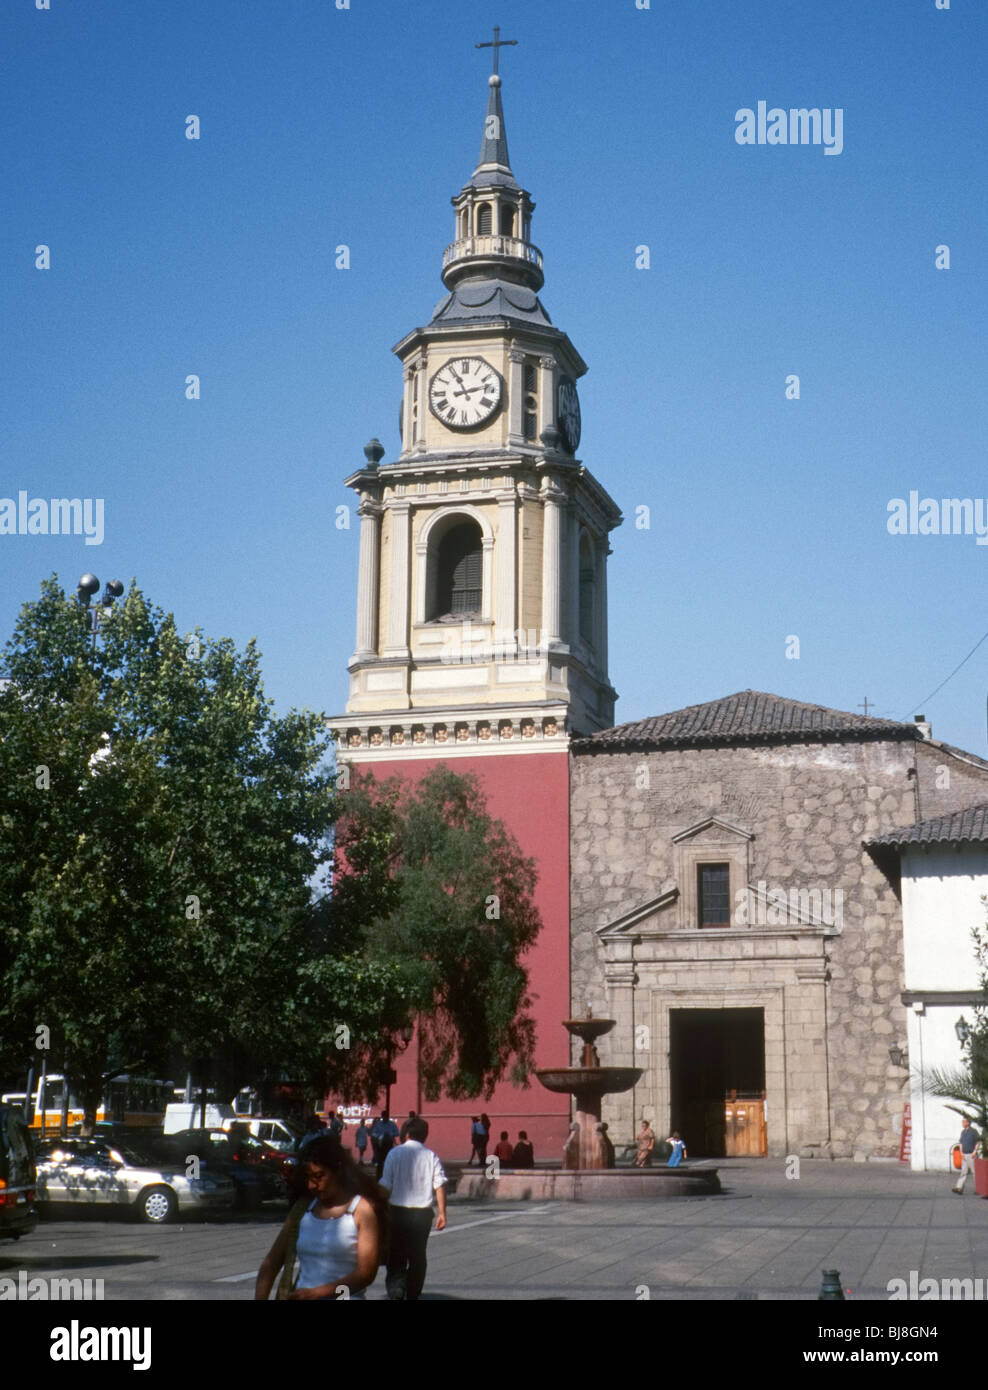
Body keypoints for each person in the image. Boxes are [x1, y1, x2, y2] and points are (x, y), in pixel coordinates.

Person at [254, 1134, 387, 1300]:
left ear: (338, 1170)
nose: (311, 1185)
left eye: (319, 1176)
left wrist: (317, 1294)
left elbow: (365, 1274)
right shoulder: (303, 1208)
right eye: (308, 1177)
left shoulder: (361, 1210)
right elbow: (271, 1263)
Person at [379, 1116, 447, 1300]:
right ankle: (413, 1292)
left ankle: (396, 1286)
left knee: (396, 1253)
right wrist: (442, 1213)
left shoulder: (394, 1154)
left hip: (398, 1212)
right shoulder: (431, 1155)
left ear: (406, 1133)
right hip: (422, 1214)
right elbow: (439, 1185)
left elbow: (385, 1185)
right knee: (418, 1256)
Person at [952, 1116, 981, 1194]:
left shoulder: (973, 1131)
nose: (963, 1123)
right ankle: (959, 1187)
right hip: (964, 1155)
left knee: (975, 1172)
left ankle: (979, 1189)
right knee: (963, 1172)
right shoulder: (963, 1132)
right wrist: (961, 1153)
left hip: (972, 1155)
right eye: (962, 1122)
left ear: (968, 1123)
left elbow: (978, 1142)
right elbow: (961, 1143)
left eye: (964, 1122)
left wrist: (975, 1151)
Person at [372, 1112, 399, 1179]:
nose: (385, 1118)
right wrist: (380, 1136)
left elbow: (397, 1133)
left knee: (389, 1160)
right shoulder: (378, 1124)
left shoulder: (391, 1124)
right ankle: (379, 1176)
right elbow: (373, 1133)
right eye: (383, 1116)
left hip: (389, 1144)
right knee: (380, 1161)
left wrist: (390, 1134)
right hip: (380, 1144)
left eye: (386, 1116)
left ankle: (389, 1176)